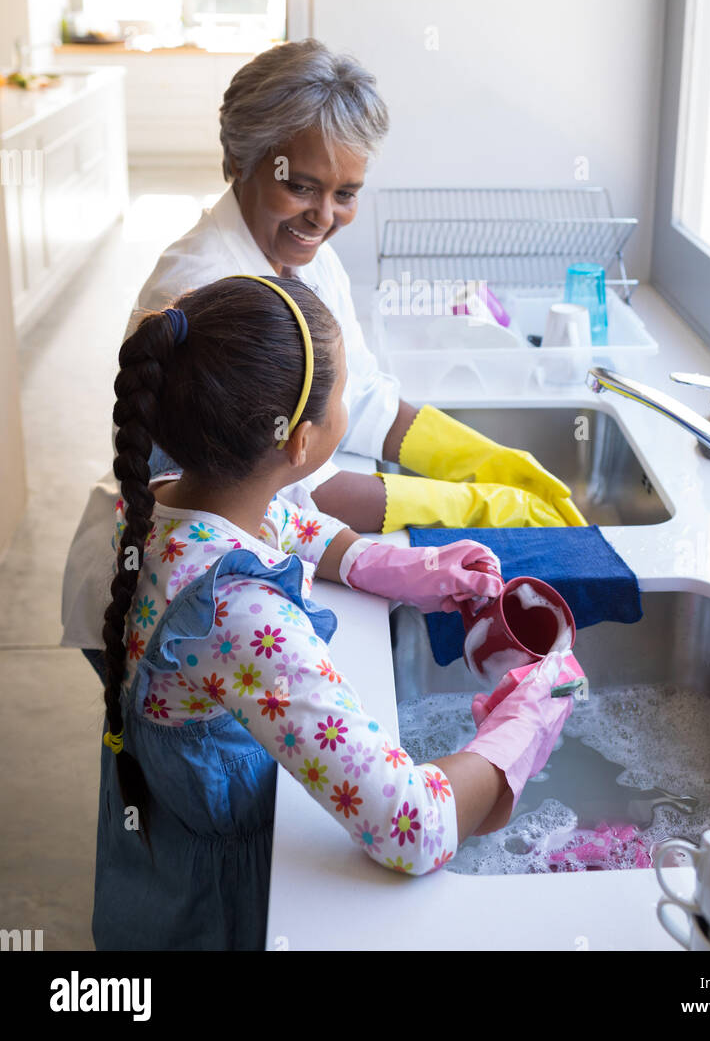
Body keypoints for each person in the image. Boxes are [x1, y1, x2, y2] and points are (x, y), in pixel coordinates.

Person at [62, 38, 585, 667]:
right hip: (165, 602)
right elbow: (286, 482)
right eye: (303, 187)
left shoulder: (310, 260)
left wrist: (482, 459)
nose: (324, 217)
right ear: (240, 161)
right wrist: (466, 504)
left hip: (226, 567)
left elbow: (358, 394)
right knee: (169, 759)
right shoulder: (204, 290)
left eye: (346, 193)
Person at [93, 273, 579, 949]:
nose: (349, 406)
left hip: (161, 843)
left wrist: (381, 562)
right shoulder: (239, 617)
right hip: (224, 909)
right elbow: (412, 825)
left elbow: (276, 524)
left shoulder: (164, 495)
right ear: (299, 443)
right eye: (343, 393)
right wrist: (522, 723)